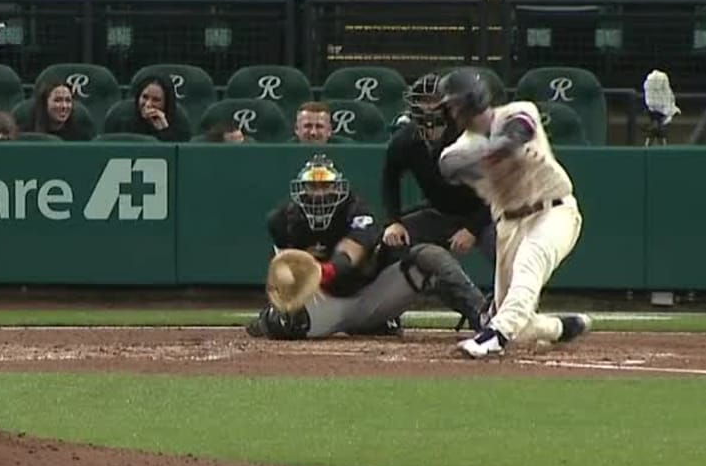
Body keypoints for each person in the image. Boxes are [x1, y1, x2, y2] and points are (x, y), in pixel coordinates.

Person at [246, 155, 492, 340]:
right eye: (313, 187)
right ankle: (267, 320)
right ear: (301, 190)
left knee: (429, 258)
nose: (319, 195)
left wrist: (321, 271)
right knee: (284, 324)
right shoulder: (282, 220)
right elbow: (283, 270)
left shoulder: (358, 212)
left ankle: (481, 315)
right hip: (326, 300)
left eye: (325, 187)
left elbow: (350, 255)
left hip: (371, 293)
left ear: (338, 188)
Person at [435, 68, 591, 359]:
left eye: (454, 104)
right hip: (509, 226)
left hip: (553, 211)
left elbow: (517, 133)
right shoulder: (455, 149)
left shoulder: (519, 110)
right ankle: (560, 327)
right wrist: (487, 154)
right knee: (518, 319)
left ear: (472, 99)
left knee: (527, 267)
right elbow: (450, 167)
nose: (452, 111)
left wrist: (493, 151)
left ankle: (495, 336)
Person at [380, 73, 492, 256]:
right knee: (391, 240)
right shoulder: (405, 139)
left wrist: (473, 229)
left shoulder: (472, 134)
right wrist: (393, 221)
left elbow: (500, 190)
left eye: (436, 100)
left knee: (501, 243)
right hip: (441, 213)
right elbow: (389, 179)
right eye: (424, 100)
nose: (430, 107)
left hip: (486, 214)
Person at [114, 74, 190, 141]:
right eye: (145, 97)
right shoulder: (122, 122)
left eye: (156, 100)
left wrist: (164, 131)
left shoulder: (180, 127)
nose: (148, 104)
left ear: (166, 103)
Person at [23, 79, 94, 140]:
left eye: (68, 100)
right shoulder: (28, 135)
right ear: (45, 103)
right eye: (57, 100)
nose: (64, 106)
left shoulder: (81, 136)